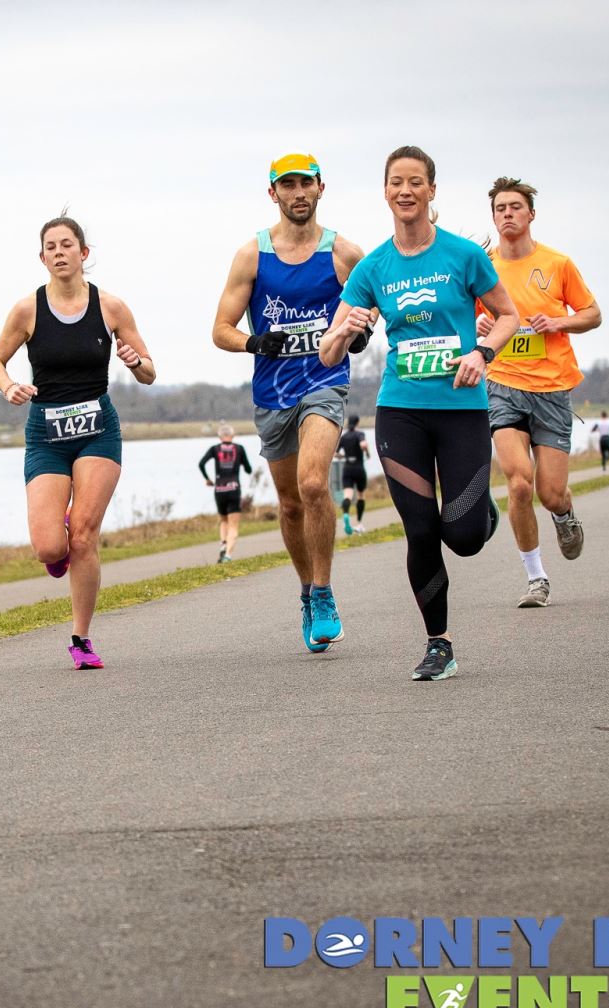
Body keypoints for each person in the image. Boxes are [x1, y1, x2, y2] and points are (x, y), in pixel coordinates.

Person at [320, 146, 519, 680]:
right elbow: (329, 354)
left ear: (432, 190)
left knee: (464, 536)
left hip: (461, 409)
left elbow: (508, 315)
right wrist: (340, 332)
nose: (405, 191)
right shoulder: (372, 268)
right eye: (395, 182)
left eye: (415, 182)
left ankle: (481, 514)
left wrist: (483, 353)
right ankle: (439, 644)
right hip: (400, 411)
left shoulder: (462, 255)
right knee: (421, 529)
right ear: (385, 192)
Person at [0, 214, 157, 669]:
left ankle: (81, 638)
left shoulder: (111, 307)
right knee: (50, 547)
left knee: (83, 536)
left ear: (84, 254)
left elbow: (149, 372)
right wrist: (8, 387)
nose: (59, 252)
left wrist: (135, 360)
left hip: (98, 431)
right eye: (50, 246)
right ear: (41, 258)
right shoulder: (27, 310)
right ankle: (60, 530)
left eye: (67, 244)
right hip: (46, 434)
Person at [212, 152, 367, 652]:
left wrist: (356, 335)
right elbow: (221, 330)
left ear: (321, 188)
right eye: (288, 185)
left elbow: (371, 310)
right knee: (290, 503)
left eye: (306, 184)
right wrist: (255, 343)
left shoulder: (344, 253)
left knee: (313, 483)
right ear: (272, 193)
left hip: (324, 380)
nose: (298, 193)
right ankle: (306, 590)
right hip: (272, 392)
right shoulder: (252, 256)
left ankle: (324, 594)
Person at [473, 177, 602, 608]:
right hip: (503, 384)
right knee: (518, 484)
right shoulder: (483, 267)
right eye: (500, 208)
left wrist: (558, 322)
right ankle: (536, 578)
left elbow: (592, 313)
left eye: (515, 207)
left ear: (530, 214)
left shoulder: (557, 264)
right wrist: (479, 328)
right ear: (493, 216)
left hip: (551, 388)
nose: (507, 214)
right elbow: (466, 318)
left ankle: (564, 514)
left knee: (549, 492)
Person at [199, 425, 254, 561]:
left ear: (220, 436)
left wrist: (208, 479)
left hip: (219, 490)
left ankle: (223, 544)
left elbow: (201, 464)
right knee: (233, 525)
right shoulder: (239, 449)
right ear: (233, 435)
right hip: (234, 489)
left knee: (223, 520)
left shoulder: (214, 449)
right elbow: (248, 469)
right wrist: (242, 464)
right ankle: (228, 555)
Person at [337, 414, 370, 534]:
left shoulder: (344, 437)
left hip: (347, 468)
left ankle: (345, 514)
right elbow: (363, 445)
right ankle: (359, 523)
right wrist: (367, 453)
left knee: (347, 496)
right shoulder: (359, 434)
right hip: (358, 468)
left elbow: (335, 452)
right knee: (361, 495)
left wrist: (343, 456)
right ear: (357, 423)